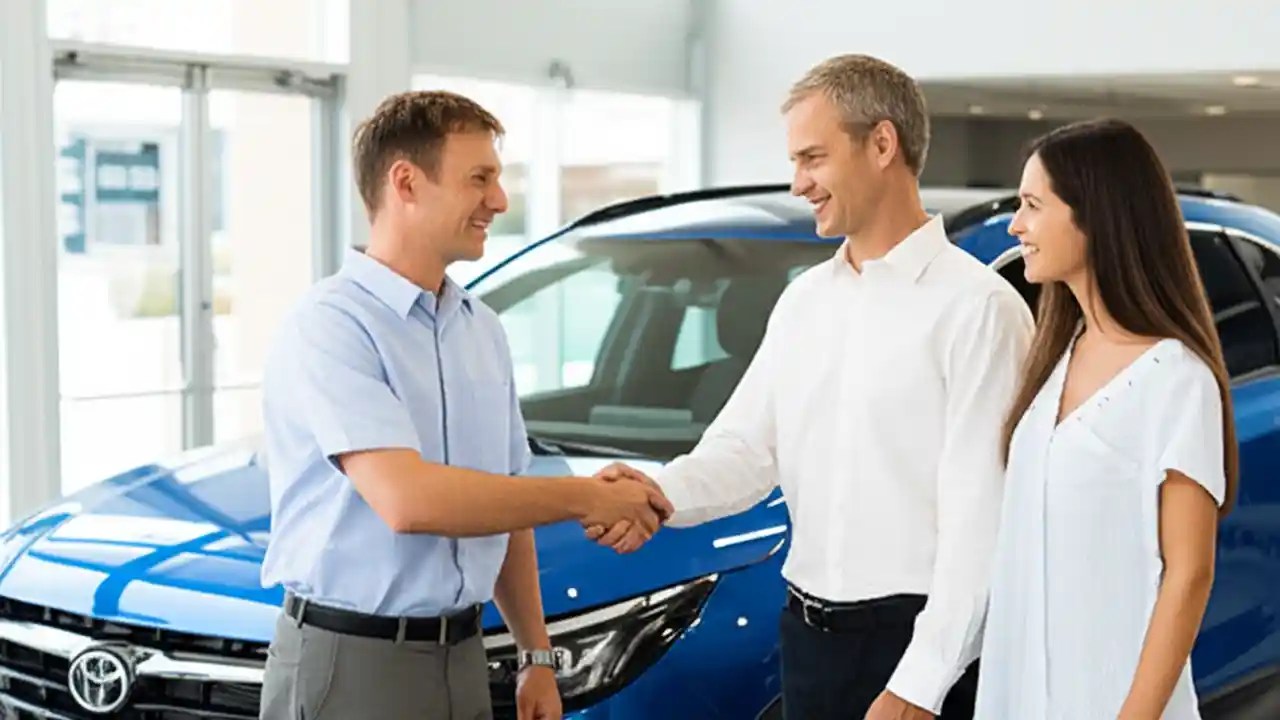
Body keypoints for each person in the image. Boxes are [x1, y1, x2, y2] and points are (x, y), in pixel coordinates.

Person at [589, 54, 1034, 719]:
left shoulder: (979, 311)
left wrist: (921, 683)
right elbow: (745, 449)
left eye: (814, 158)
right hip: (809, 642)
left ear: (882, 144)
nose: (800, 183)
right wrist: (658, 495)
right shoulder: (807, 302)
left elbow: (982, 526)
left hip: (917, 650)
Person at [257, 90, 672, 720]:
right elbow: (410, 501)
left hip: (465, 657)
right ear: (406, 183)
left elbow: (507, 500)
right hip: (351, 666)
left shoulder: (481, 329)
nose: (499, 201)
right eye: (480, 178)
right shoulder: (332, 325)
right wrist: (588, 496)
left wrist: (536, 656)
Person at [973, 118, 1236, 719]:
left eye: (1032, 205)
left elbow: (1189, 574)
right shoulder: (1054, 361)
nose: (1017, 226)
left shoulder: (1175, 379)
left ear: (1095, 216)